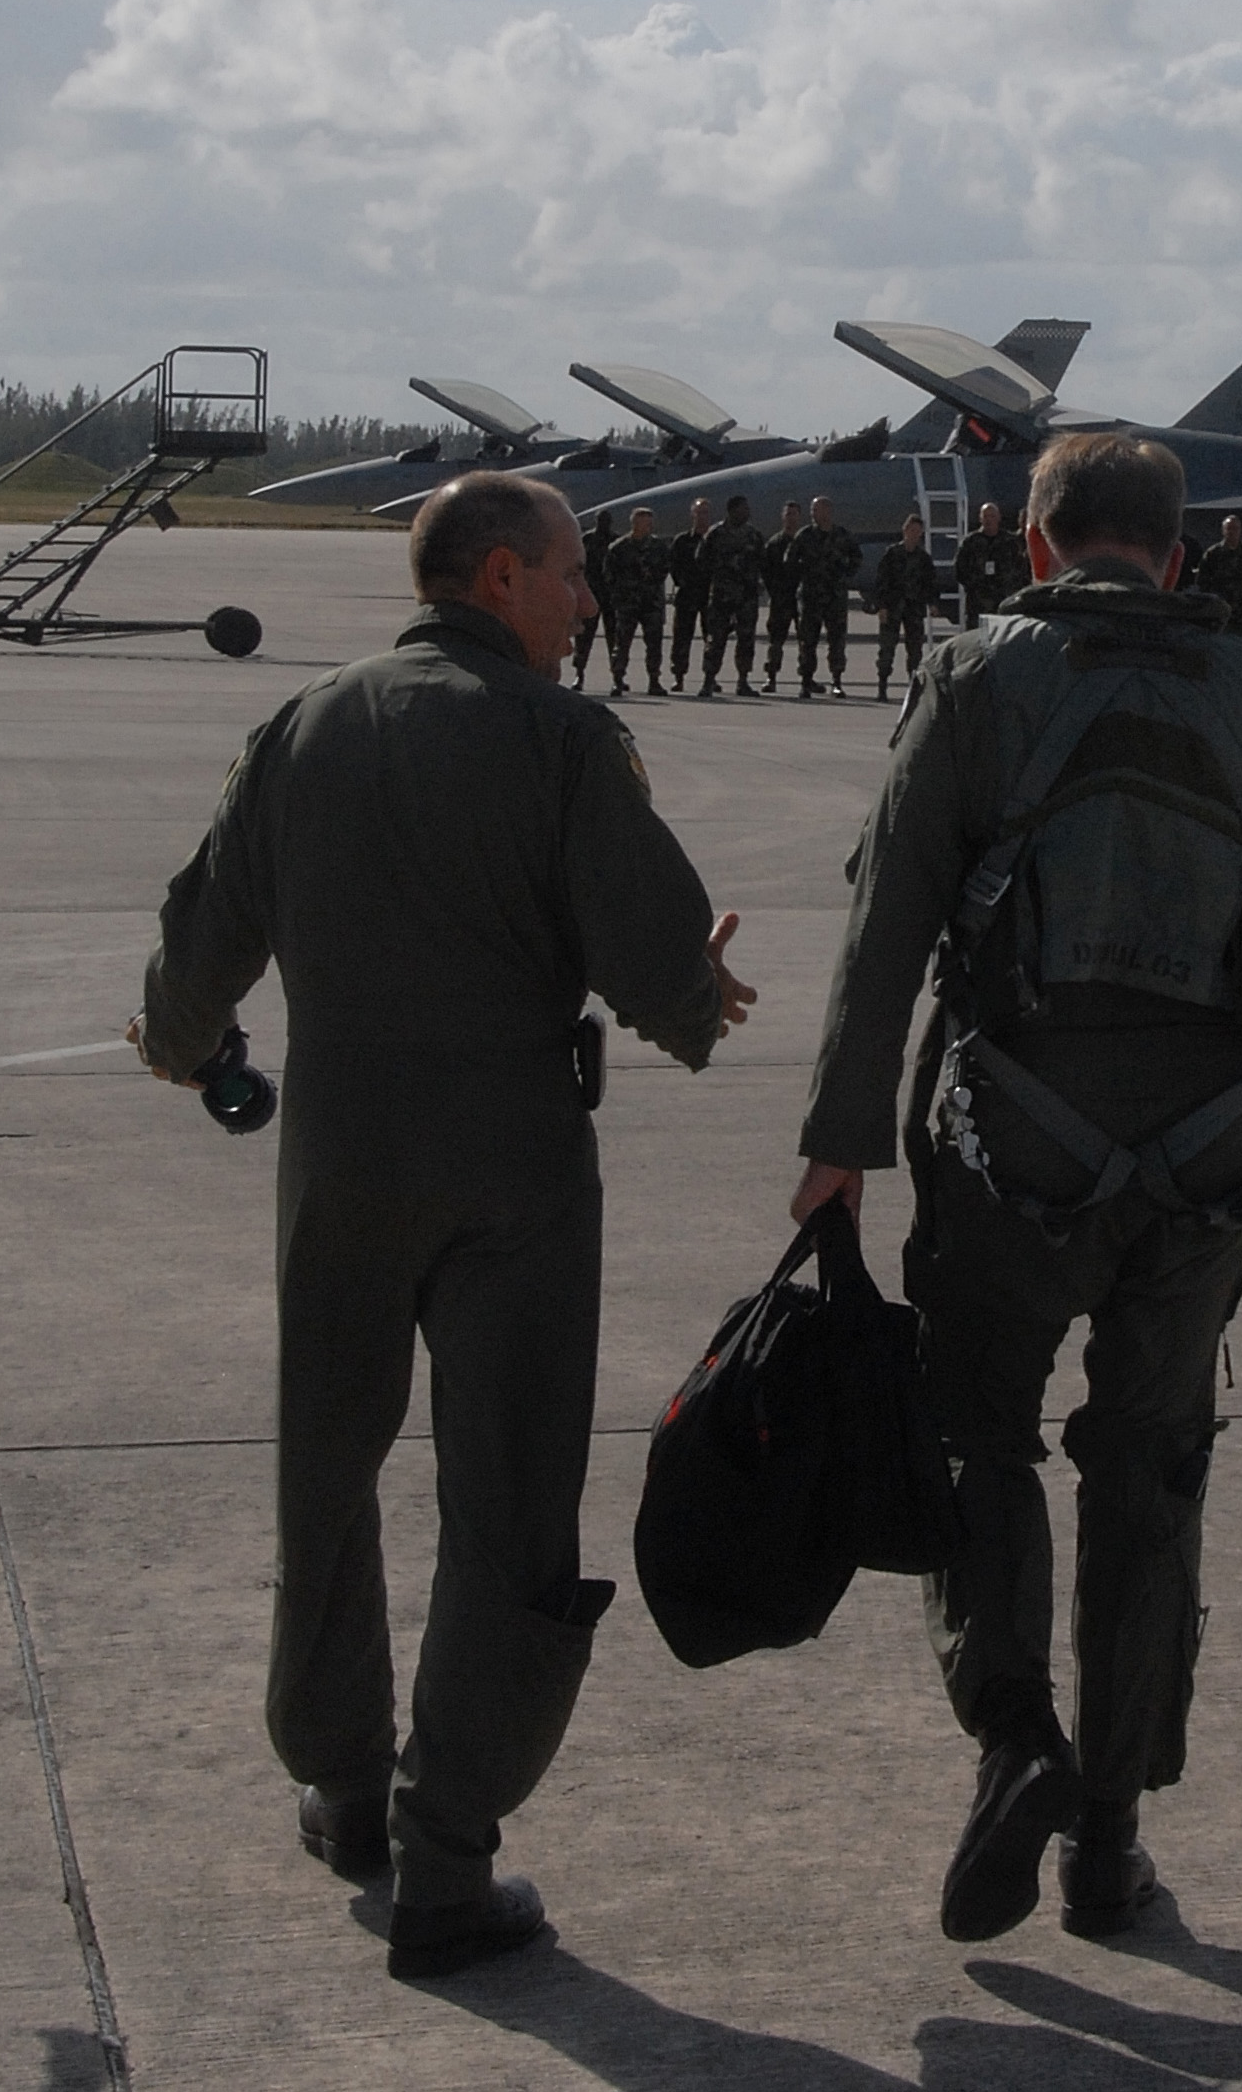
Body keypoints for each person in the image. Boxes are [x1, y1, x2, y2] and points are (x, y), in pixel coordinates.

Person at [789, 434, 1242, 1945]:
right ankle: (1109, 1840)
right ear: (1179, 553)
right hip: (1209, 1159)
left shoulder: (970, 677)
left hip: (1008, 1142)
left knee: (976, 1434)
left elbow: (889, 923)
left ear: (1034, 542)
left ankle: (1016, 1737)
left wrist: (840, 1141)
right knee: (1150, 1467)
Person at [130, 475, 755, 1980]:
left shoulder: (304, 724)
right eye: (570, 574)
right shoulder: (562, 739)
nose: (587, 601)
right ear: (497, 578)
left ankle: (344, 1784)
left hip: (338, 1154)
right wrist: (698, 992)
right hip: (511, 1171)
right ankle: (449, 1855)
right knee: (509, 1496)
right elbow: (667, 977)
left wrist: (187, 1043)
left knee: (326, 1464)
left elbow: (195, 957)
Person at [794, 494, 863, 700]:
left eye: (817, 510)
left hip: (835, 597)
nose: (813, 514)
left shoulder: (842, 535)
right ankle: (806, 682)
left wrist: (844, 575)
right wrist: (804, 576)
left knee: (837, 641)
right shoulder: (805, 535)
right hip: (811, 597)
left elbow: (857, 557)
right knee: (808, 641)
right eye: (812, 510)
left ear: (828, 512)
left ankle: (837, 681)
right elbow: (790, 560)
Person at [698, 494, 766, 699]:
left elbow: (762, 562)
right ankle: (708, 681)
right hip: (722, 597)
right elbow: (702, 561)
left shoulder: (753, 535)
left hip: (746, 598)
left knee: (746, 640)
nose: (747, 513)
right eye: (743, 509)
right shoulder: (715, 534)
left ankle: (743, 681)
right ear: (732, 511)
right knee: (716, 640)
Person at [872, 511, 940, 700]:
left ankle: (913, 689)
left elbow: (930, 583)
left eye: (918, 531)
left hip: (914, 609)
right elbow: (881, 581)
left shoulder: (923, 558)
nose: (914, 534)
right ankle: (882, 686)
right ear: (905, 530)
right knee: (887, 649)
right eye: (911, 530)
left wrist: (933, 603)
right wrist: (881, 607)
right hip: (893, 607)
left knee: (915, 651)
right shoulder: (892, 554)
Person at [604, 506, 669, 696]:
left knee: (654, 644)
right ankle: (618, 680)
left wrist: (651, 580)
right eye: (643, 523)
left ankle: (654, 680)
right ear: (634, 523)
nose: (648, 527)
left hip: (651, 603)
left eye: (649, 523)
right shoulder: (619, 548)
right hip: (628, 603)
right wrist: (621, 593)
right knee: (622, 644)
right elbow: (609, 575)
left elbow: (664, 570)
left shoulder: (658, 547)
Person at [667, 497, 713, 691]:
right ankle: (678, 676)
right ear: (692, 514)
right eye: (698, 512)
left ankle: (710, 677)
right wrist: (683, 582)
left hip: (710, 596)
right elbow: (673, 565)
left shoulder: (715, 539)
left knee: (712, 639)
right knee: (681, 638)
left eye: (705, 513)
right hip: (687, 595)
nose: (702, 516)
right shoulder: (682, 540)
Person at [760, 498, 805, 693]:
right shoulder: (775, 543)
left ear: (800, 517)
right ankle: (771, 677)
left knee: (806, 641)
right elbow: (766, 571)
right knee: (776, 640)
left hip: (804, 599)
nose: (791, 518)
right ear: (782, 517)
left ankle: (807, 679)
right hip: (782, 598)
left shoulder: (806, 540)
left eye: (794, 514)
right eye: (788, 514)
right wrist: (775, 592)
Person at [1195, 514, 1242, 639]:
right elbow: (1202, 581)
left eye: (1235, 528)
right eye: (1229, 528)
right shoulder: (1213, 554)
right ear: (1223, 531)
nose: (1232, 532)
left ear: (1240, 530)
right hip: (1220, 610)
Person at [570, 507, 614, 691]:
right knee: (584, 637)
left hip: (611, 596)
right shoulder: (587, 540)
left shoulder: (615, 541)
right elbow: (576, 564)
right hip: (591, 593)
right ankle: (579, 673)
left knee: (614, 638)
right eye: (601, 520)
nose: (603, 524)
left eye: (606, 520)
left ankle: (617, 676)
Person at [952, 501, 1011, 629]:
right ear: (980, 519)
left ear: (999, 518)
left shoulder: (1009, 542)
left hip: (1003, 603)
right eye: (985, 516)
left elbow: (1020, 570)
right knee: (976, 638)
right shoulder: (970, 542)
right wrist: (974, 586)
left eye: (992, 516)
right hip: (977, 605)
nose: (989, 520)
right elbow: (959, 569)